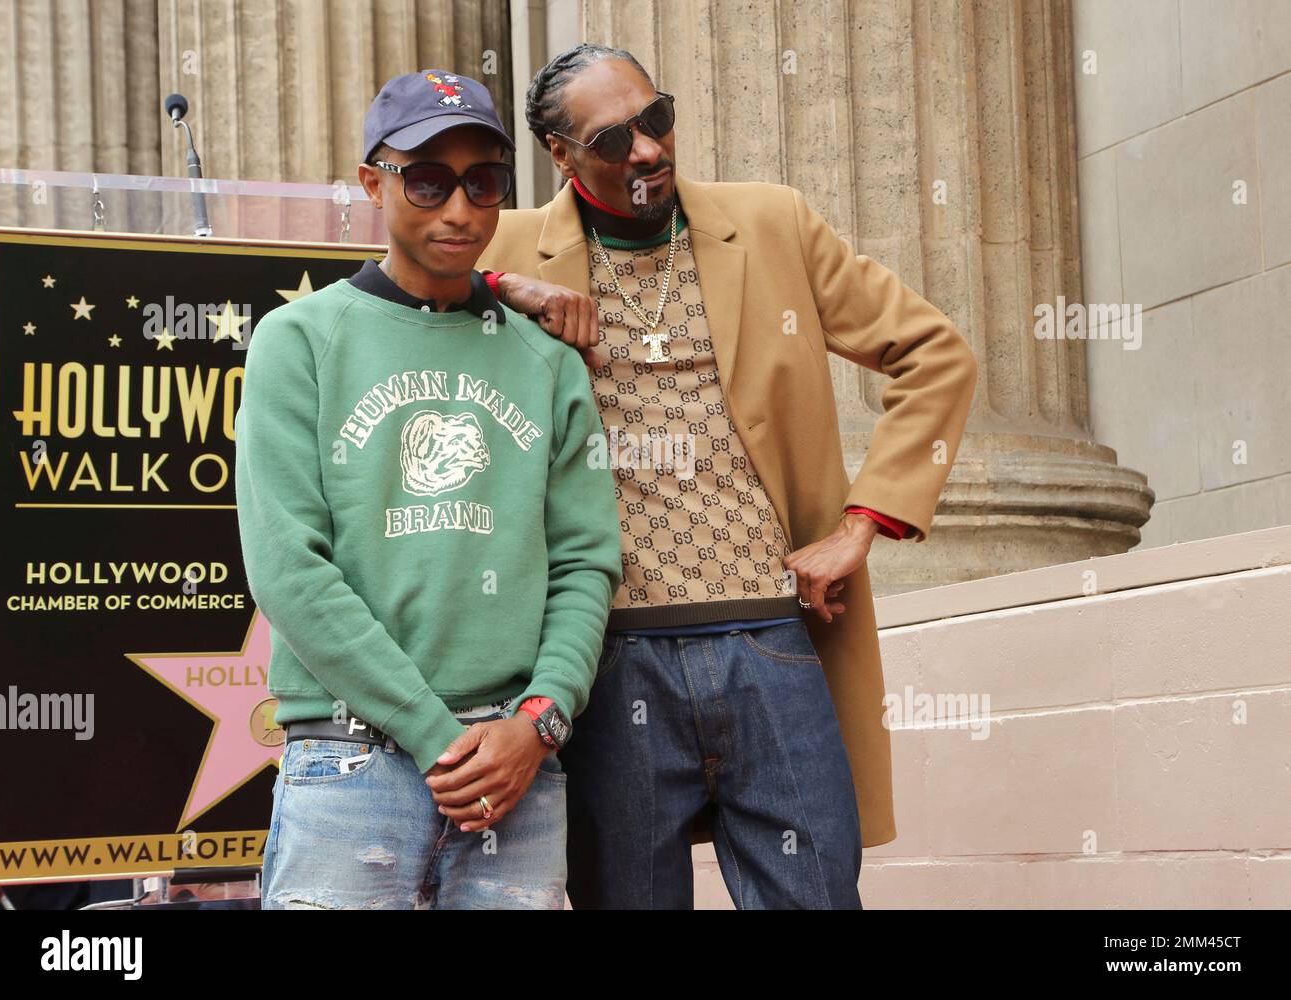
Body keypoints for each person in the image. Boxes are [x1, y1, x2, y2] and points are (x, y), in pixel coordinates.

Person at [476, 43, 978, 908]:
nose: (646, 151)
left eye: (657, 119)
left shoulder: (772, 222)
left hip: (773, 641)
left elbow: (935, 354)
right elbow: (394, 289)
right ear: (559, 154)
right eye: (612, 139)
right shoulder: (509, 244)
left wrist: (863, 524)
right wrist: (498, 289)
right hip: (609, 659)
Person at [234, 69, 622, 910]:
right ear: (374, 183)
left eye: (483, 183)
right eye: (427, 179)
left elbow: (588, 564)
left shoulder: (548, 363)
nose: (458, 209)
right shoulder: (297, 342)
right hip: (351, 762)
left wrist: (536, 726)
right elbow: (289, 570)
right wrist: (439, 737)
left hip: (517, 772)